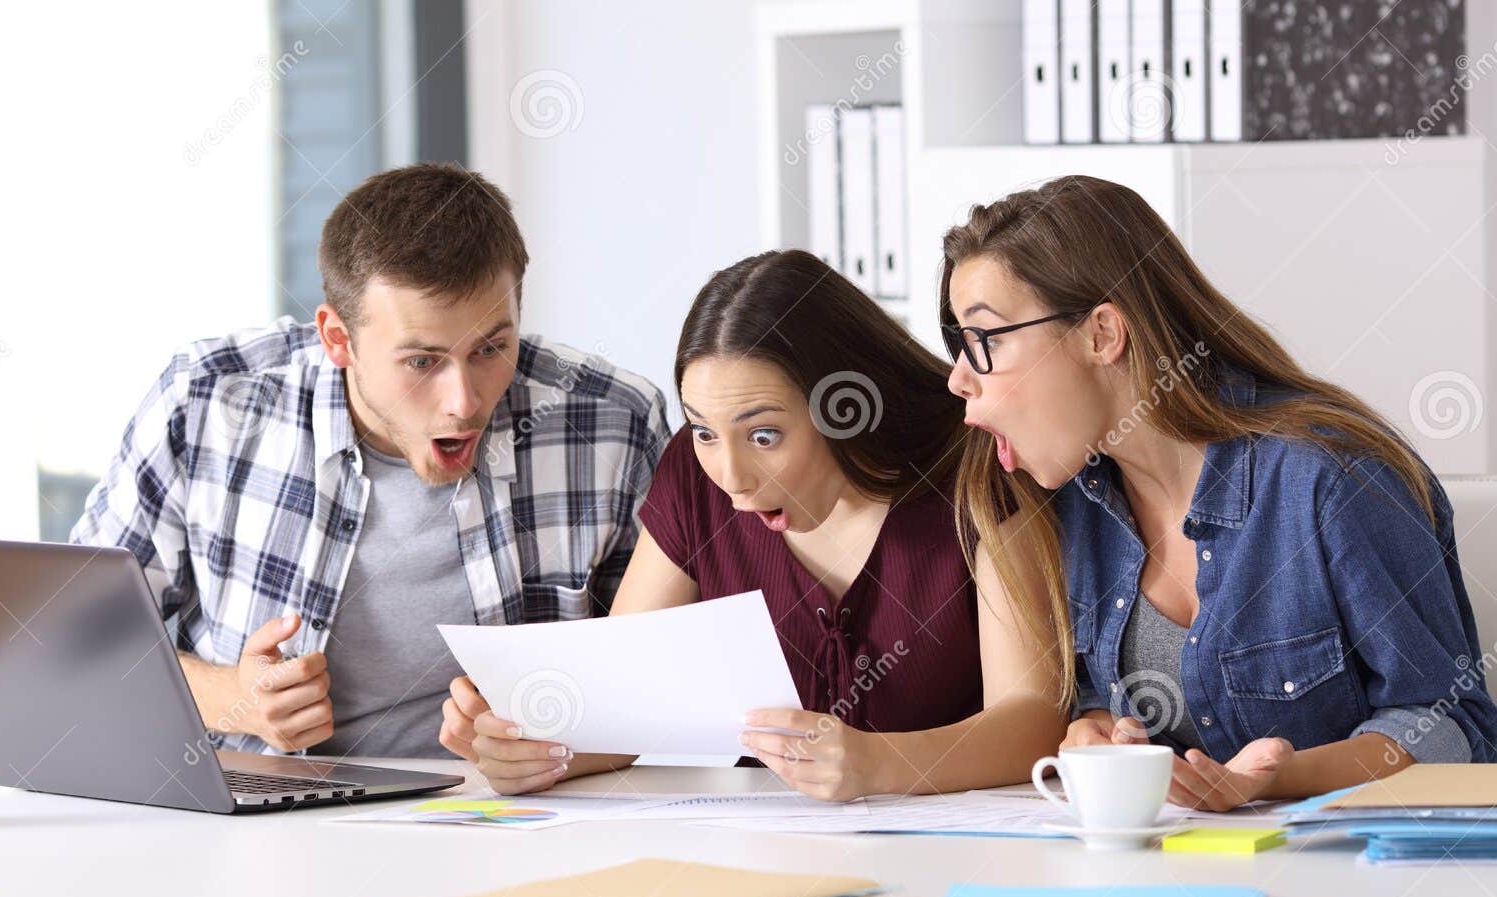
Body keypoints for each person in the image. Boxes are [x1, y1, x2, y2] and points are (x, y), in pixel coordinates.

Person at [73, 163, 669, 758]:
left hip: (522, 821)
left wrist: (554, 745)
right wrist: (230, 695)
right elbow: (74, 639)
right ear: (338, 339)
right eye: (421, 362)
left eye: (492, 348)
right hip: (266, 820)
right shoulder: (206, 402)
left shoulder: (613, 423)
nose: (464, 401)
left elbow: (662, 677)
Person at [940, 174, 1497, 812]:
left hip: (1349, 875)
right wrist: (1094, 730)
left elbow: (1453, 726)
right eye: (960, 344)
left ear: (1102, 334)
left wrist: (1277, 779)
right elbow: (1100, 696)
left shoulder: (1331, 478)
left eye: (987, 341)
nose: (960, 378)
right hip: (1181, 874)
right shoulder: (1079, 504)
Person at [441, 250, 1068, 800]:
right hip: (758, 863)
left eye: (764, 434)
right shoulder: (692, 474)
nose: (731, 474)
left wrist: (881, 763)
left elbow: (1032, 717)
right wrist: (537, 752)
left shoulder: (973, 468)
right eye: (706, 431)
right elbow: (622, 706)